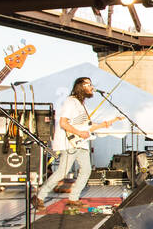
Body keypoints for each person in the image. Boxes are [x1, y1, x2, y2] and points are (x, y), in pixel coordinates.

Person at [32, 77, 121, 210]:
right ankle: (40, 196)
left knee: (86, 170)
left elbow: (86, 127)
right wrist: (79, 133)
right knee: (62, 171)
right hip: (70, 143)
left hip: (81, 143)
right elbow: (63, 123)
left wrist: (105, 124)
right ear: (80, 86)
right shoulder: (70, 102)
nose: (91, 87)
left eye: (91, 84)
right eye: (88, 84)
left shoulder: (81, 104)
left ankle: (73, 198)